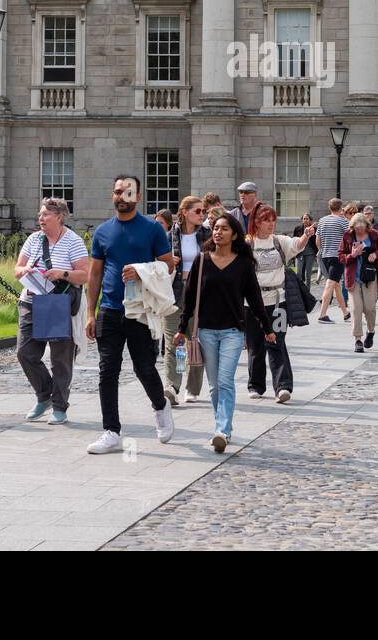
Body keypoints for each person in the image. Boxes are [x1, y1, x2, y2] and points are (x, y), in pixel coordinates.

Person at [85, 174, 176, 454]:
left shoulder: (152, 230)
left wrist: (142, 270)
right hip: (110, 310)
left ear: (138, 197)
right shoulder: (102, 232)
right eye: (117, 191)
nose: (121, 196)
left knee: (144, 368)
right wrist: (91, 312)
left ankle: (160, 406)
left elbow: (168, 266)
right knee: (107, 371)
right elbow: (95, 272)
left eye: (127, 191)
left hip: (140, 311)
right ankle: (111, 431)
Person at [174, 213, 273, 452]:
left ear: (235, 234)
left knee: (226, 380)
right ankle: (222, 425)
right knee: (214, 386)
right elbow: (189, 298)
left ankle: (222, 430)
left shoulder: (243, 263)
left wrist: (267, 328)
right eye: (216, 228)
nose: (218, 232)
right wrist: (181, 329)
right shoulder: (201, 260)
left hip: (232, 331)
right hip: (206, 331)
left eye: (224, 229)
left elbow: (254, 298)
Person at [13, 198, 90, 425]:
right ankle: (44, 395)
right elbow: (17, 269)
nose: (41, 219)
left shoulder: (73, 241)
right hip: (31, 301)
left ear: (59, 216)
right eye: (40, 214)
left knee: (60, 359)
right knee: (24, 353)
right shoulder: (33, 239)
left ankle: (59, 406)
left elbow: (84, 274)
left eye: (46, 214)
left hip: (59, 303)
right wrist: (24, 270)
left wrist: (62, 273)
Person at [246, 203, 313, 403]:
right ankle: (256, 385)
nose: (270, 224)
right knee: (255, 345)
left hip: (278, 301)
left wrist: (306, 236)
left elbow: (296, 245)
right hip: (252, 303)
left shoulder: (278, 241)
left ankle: (282, 386)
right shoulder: (247, 244)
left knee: (277, 341)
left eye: (273, 219)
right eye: (266, 220)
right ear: (256, 223)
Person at [164, 194, 209, 406]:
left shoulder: (208, 235)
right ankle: (172, 385)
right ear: (184, 213)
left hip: (200, 293)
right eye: (198, 211)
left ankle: (192, 388)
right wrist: (167, 263)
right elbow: (155, 263)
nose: (202, 215)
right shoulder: (168, 237)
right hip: (174, 291)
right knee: (175, 341)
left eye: (204, 211)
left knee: (195, 341)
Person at [338, 212, 378, 353]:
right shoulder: (347, 236)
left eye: (362, 228)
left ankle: (371, 331)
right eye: (357, 228)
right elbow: (341, 256)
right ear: (353, 227)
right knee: (356, 309)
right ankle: (358, 340)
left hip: (370, 277)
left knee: (369, 308)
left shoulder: (374, 235)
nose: (360, 230)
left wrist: (376, 254)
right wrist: (352, 255)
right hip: (353, 278)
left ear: (367, 226)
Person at [315, 198, 350, 323]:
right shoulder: (344, 221)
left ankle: (345, 313)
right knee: (330, 284)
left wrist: (323, 250)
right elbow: (349, 239)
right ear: (341, 208)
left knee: (336, 285)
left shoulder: (322, 221)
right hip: (337, 257)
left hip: (325, 256)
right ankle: (322, 315)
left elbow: (317, 241)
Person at [292, 213, 318, 289]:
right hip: (299, 253)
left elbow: (316, 241)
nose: (305, 220)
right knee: (298, 273)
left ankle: (307, 292)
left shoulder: (314, 229)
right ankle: (299, 291)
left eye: (307, 219)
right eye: (304, 219)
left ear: (310, 220)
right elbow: (294, 240)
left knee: (308, 274)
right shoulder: (297, 229)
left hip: (310, 253)